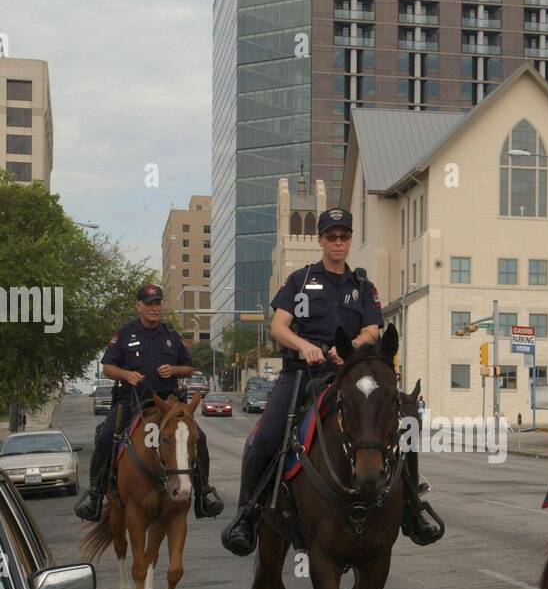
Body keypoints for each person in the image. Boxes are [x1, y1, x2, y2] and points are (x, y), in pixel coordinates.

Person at [221, 206, 444, 556]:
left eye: (344, 237)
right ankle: (247, 516)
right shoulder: (300, 280)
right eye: (331, 237)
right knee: (264, 438)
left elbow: (373, 329)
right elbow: (279, 326)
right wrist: (304, 345)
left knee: (407, 416)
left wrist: (352, 348)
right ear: (321, 240)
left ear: (350, 240)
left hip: (350, 373)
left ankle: (412, 506)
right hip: (303, 374)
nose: (338, 243)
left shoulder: (363, 287)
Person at [74, 284, 224, 522]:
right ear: (139, 307)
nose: (155, 309)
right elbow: (108, 367)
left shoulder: (171, 336)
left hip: (168, 403)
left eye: (158, 304)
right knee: (105, 437)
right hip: (131, 400)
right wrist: (126, 375)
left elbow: (189, 367)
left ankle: (203, 493)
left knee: (200, 438)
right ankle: (95, 493)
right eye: (150, 304)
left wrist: (174, 369)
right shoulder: (124, 334)